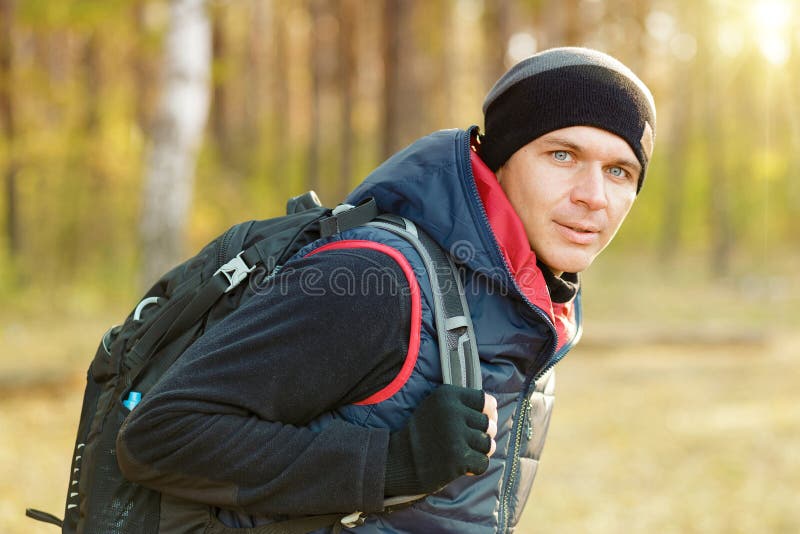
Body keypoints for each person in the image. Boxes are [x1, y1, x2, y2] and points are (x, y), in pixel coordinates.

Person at [116, 47, 656, 533]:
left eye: (619, 171)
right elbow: (160, 436)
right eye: (562, 155)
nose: (593, 196)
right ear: (502, 159)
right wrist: (393, 461)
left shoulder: (532, 310)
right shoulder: (378, 280)